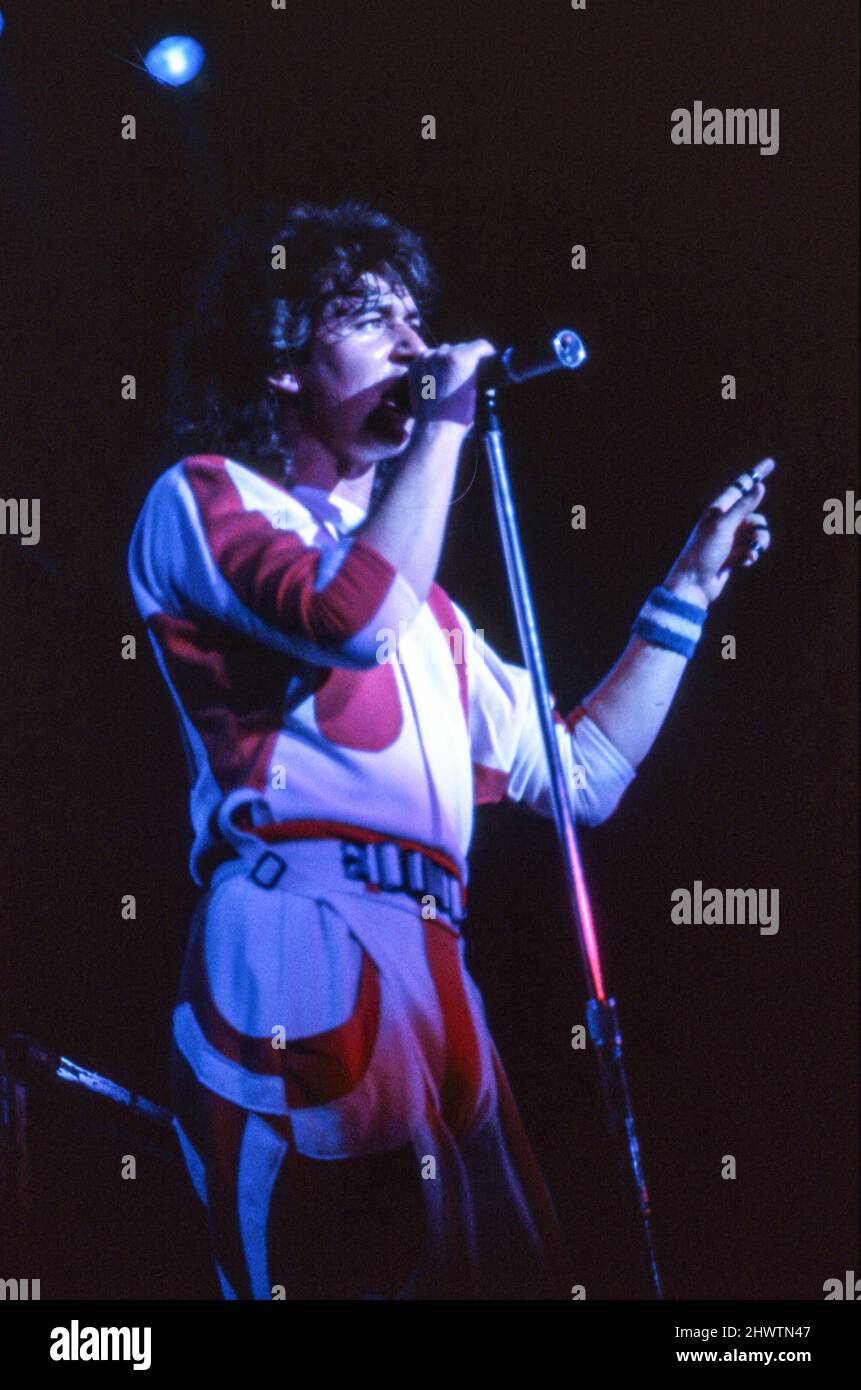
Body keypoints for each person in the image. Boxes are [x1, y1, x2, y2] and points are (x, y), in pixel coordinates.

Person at [127, 199, 774, 1300]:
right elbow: (347, 621)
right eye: (373, 317)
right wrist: (444, 425)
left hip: (437, 953)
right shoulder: (203, 498)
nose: (417, 346)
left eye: (419, 320)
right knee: (357, 1267)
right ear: (285, 360)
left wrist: (687, 593)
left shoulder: (432, 617)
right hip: (300, 929)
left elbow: (583, 779)